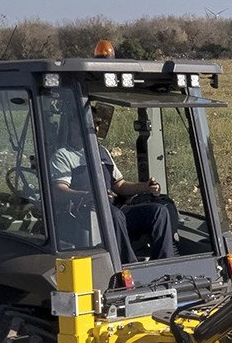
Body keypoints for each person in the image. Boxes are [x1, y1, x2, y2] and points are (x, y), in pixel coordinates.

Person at [52, 104, 177, 261]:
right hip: (86, 214)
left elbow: (119, 185)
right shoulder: (63, 156)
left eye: (97, 124)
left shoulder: (102, 152)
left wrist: (145, 187)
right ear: (74, 125)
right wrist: (90, 196)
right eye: (91, 123)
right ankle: (127, 266)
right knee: (114, 216)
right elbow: (58, 190)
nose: (96, 128)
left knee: (159, 211)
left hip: (112, 209)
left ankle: (165, 263)